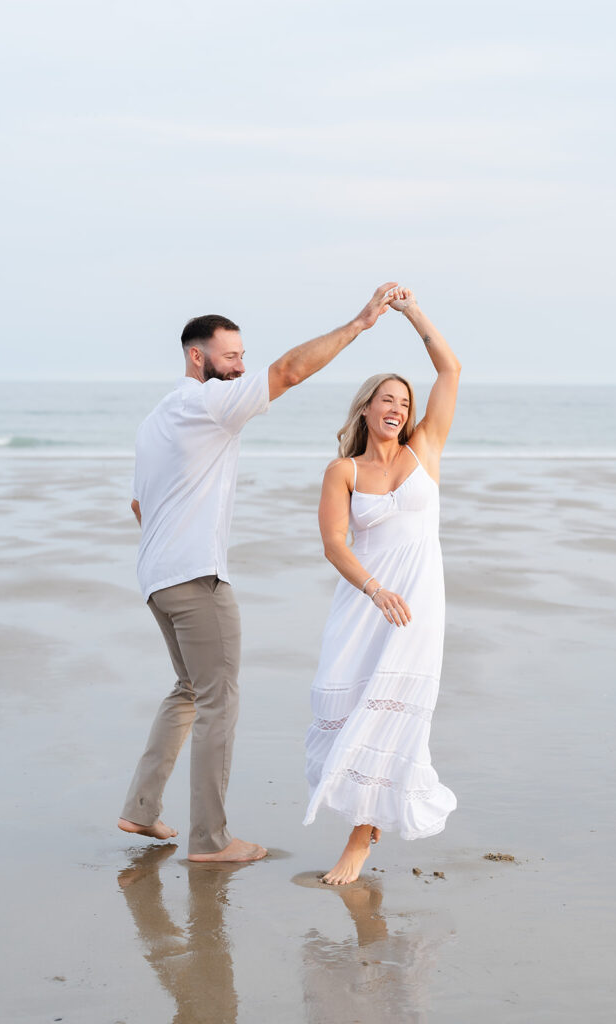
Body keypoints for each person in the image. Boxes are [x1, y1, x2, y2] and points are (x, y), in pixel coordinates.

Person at [118, 282, 401, 864]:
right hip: (198, 580)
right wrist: (359, 324)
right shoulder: (208, 404)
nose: (241, 367)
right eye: (231, 357)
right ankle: (211, 840)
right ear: (197, 357)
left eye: (243, 355)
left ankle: (141, 810)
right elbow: (290, 371)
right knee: (220, 699)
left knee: (190, 690)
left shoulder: (157, 419)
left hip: (157, 579)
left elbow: (139, 507)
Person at [303, 287, 461, 884]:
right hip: (365, 603)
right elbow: (334, 545)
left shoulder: (426, 449)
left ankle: (360, 839)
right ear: (366, 408)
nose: (396, 405)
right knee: (346, 705)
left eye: (404, 399)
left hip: (417, 607)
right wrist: (374, 590)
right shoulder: (343, 470)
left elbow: (449, 368)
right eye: (386, 398)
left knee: (396, 716)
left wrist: (412, 311)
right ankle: (358, 818)